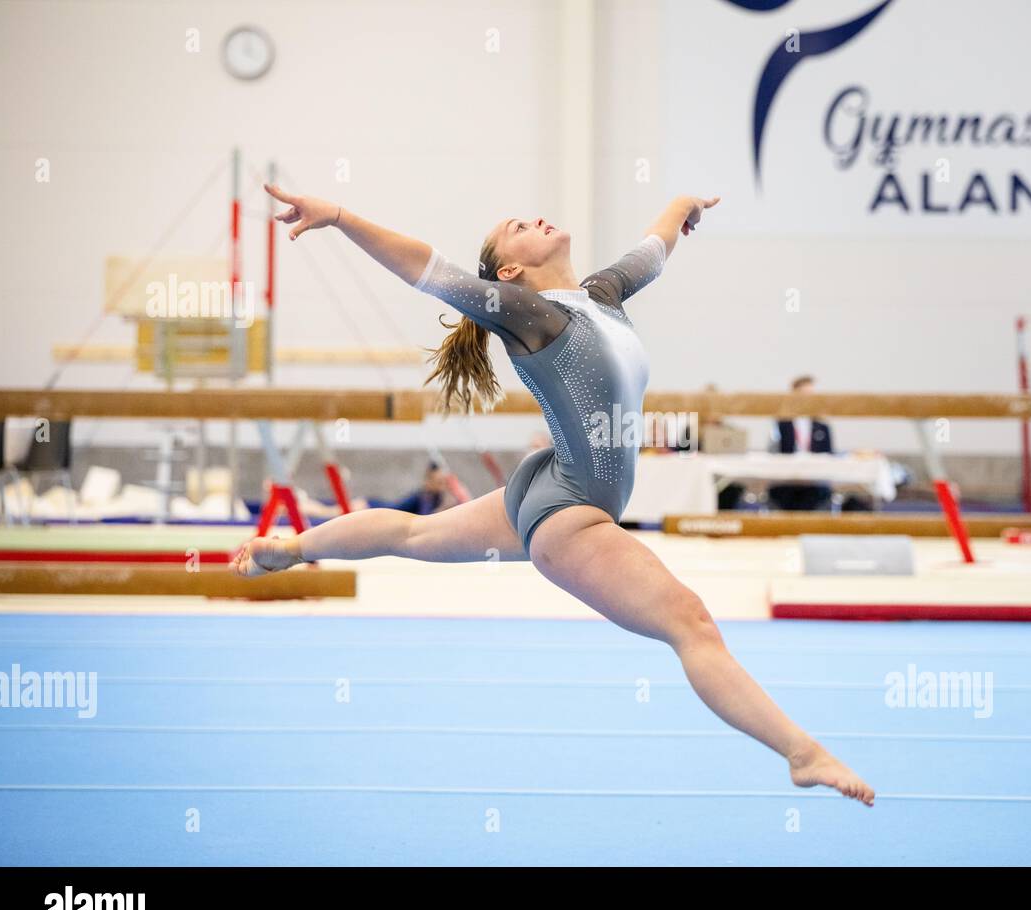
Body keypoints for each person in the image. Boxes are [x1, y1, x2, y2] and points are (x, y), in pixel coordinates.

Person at [230, 183, 874, 805]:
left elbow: (653, 247)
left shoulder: (603, 294)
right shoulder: (530, 313)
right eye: (517, 227)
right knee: (692, 624)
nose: (535, 219)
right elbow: (426, 268)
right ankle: (800, 753)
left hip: (554, 482)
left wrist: (684, 206)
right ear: (508, 272)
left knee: (415, 534)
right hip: (572, 514)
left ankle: (290, 548)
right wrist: (340, 215)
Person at [766, 374, 834, 511]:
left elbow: (829, 455)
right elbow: (773, 452)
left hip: (814, 482)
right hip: (786, 482)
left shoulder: (822, 426)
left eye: (811, 395)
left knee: (816, 496)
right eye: (804, 394)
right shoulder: (781, 424)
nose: (808, 399)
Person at [390, 462, 458, 515]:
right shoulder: (422, 497)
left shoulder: (442, 497)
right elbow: (425, 517)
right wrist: (443, 508)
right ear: (428, 480)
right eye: (439, 482)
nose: (443, 486)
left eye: (444, 482)